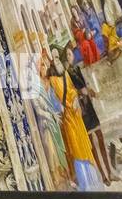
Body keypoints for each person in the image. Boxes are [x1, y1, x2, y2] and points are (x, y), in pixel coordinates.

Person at [44, 49, 102, 191]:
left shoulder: (66, 75)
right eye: (55, 61)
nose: (57, 62)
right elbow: (53, 99)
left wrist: (75, 98)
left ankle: (92, 179)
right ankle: (84, 183)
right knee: (75, 148)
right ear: (52, 66)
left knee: (84, 144)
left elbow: (73, 90)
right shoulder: (52, 81)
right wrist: (61, 106)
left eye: (58, 60)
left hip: (76, 115)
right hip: (68, 118)